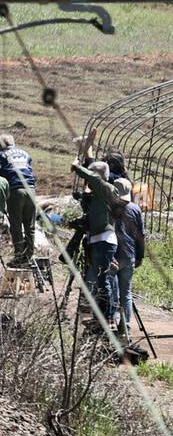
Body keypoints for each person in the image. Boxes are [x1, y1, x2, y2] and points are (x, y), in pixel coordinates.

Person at [71, 134, 126, 330]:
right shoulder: (99, 193)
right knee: (101, 280)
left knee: (104, 280)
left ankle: (108, 318)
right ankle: (101, 316)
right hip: (99, 238)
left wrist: (77, 162)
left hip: (104, 239)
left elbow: (87, 173)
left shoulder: (105, 187)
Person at [0, 133, 38, 266]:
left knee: (16, 225)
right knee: (30, 225)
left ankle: (19, 255)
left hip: (15, 190)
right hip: (30, 189)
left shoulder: (0, 156)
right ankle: (29, 254)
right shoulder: (25, 153)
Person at [113, 177, 146, 343]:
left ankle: (112, 321)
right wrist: (140, 256)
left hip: (112, 255)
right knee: (126, 293)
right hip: (129, 254)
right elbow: (141, 235)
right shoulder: (135, 209)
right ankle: (124, 327)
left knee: (112, 290)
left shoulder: (109, 207)